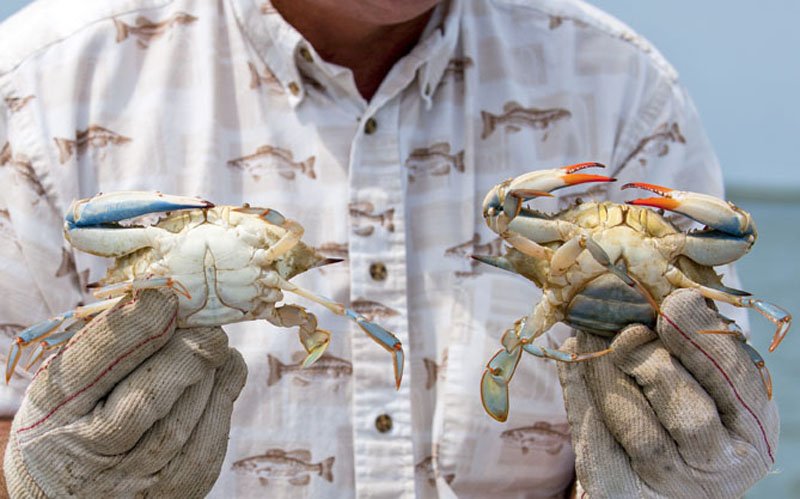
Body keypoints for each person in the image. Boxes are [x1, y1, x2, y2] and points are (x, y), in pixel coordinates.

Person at [0, 0, 778, 497]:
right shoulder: (39, 85)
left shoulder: (621, 89)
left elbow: (703, 377)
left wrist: (671, 475)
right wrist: (34, 484)